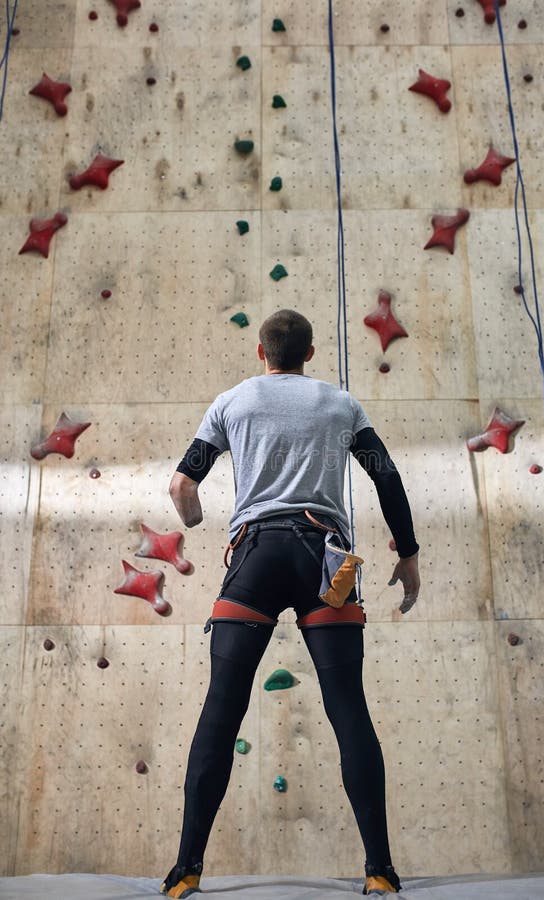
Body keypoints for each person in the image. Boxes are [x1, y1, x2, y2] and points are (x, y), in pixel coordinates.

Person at [160, 309, 420, 898]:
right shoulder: (341, 404)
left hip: (255, 558)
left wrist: (196, 518)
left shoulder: (232, 402)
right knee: (348, 709)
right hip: (323, 561)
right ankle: (379, 870)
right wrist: (407, 554)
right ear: (310, 353)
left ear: (261, 352)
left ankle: (186, 870)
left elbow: (182, 484)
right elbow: (386, 476)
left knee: (221, 712)